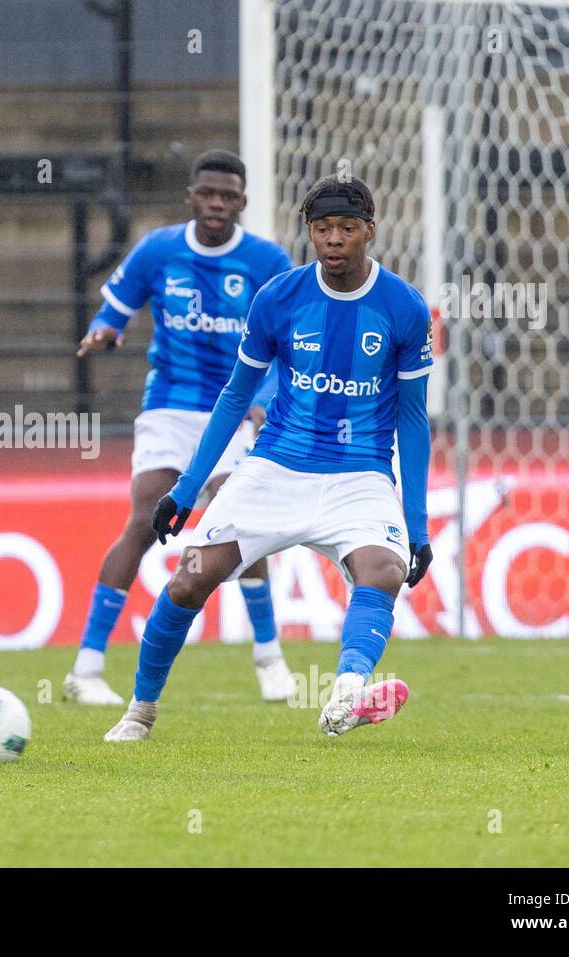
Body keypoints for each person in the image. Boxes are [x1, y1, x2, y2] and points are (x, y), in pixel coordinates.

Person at [104, 174, 434, 742]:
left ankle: (348, 694)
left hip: (360, 474)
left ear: (370, 232)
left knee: (383, 571)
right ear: (309, 232)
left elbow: (412, 419)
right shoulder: (279, 298)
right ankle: (139, 712)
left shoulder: (404, 308)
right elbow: (235, 396)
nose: (334, 240)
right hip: (275, 467)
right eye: (323, 229)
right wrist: (186, 490)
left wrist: (417, 524)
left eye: (347, 229)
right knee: (189, 580)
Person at [64, 149, 296, 707]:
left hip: (234, 411)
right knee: (145, 520)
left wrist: (263, 400)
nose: (216, 204)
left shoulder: (268, 262)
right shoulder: (159, 250)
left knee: (239, 526)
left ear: (242, 202)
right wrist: (103, 332)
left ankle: (269, 659)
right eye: (207, 193)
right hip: (169, 406)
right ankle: (86, 668)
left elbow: (292, 347)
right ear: (191, 196)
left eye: (228, 196)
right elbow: (114, 311)